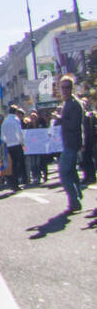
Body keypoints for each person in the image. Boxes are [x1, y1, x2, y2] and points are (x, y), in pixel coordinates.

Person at [58, 75, 85, 214]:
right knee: (72, 172)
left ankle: (74, 202)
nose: (65, 90)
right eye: (63, 87)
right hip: (68, 142)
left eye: (68, 87)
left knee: (63, 172)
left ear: (72, 88)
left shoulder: (74, 104)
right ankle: (78, 194)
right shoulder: (68, 103)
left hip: (72, 143)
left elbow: (74, 124)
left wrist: (61, 120)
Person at [0, 105, 26, 193]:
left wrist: (7, 141)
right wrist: (22, 142)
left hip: (9, 145)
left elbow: (2, 135)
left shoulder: (5, 121)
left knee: (13, 165)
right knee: (20, 164)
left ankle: (13, 183)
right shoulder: (15, 120)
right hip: (17, 144)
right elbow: (19, 132)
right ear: (15, 112)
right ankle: (20, 181)